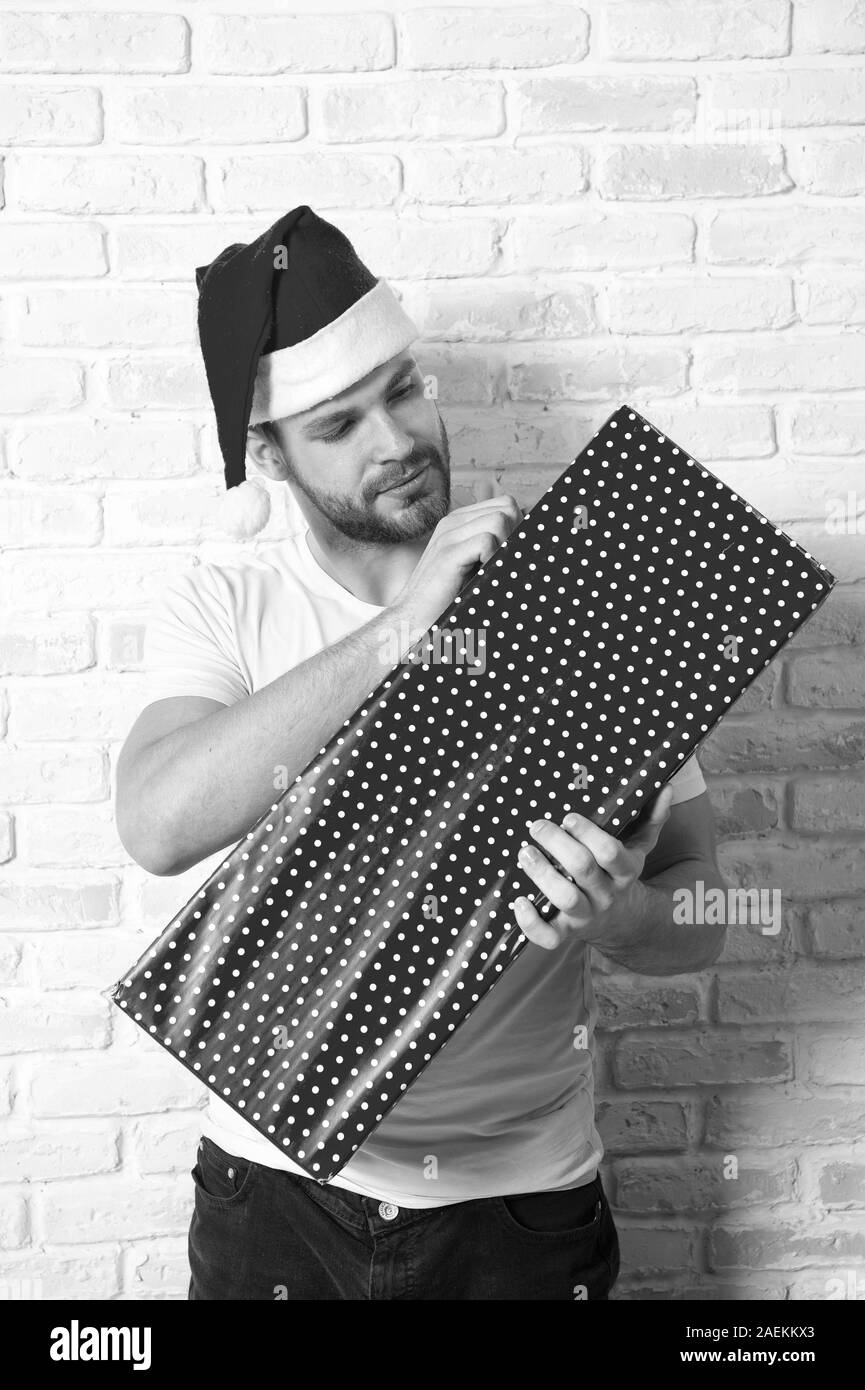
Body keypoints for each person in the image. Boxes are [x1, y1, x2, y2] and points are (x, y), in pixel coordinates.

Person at [115, 206, 728, 1301]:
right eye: (339, 424)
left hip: (522, 1212)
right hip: (274, 1197)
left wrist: (618, 914)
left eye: (401, 392)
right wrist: (411, 626)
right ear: (270, 454)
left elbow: (711, 910)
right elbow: (158, 821)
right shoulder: (225, 600)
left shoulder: (588, 598)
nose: (396, 441)